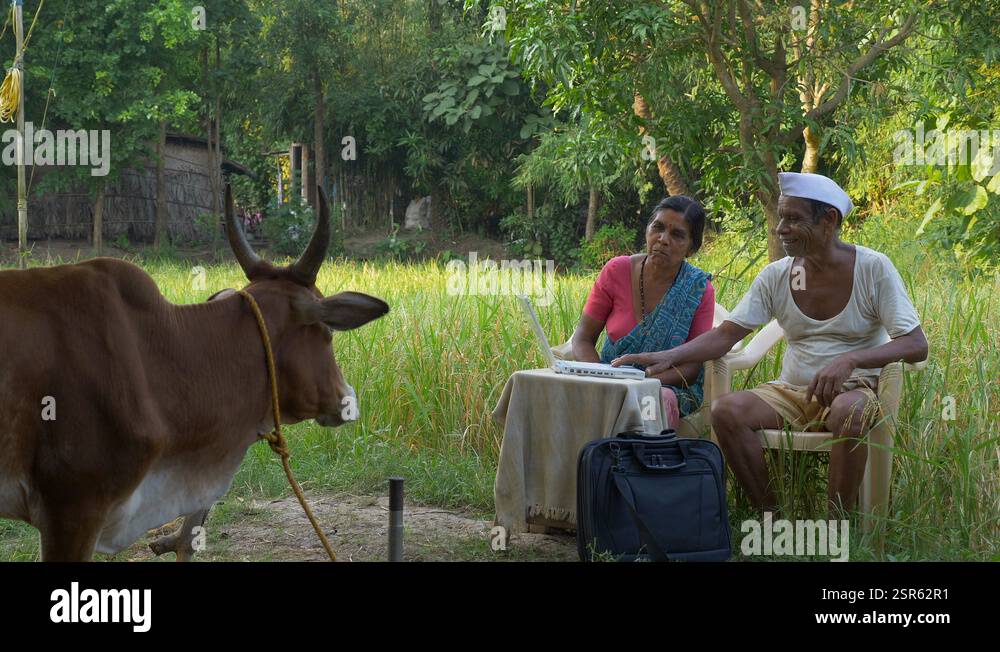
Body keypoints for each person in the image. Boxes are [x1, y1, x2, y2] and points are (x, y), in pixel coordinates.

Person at [612, 172, 929, 514]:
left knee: (848, 411)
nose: (781, 229)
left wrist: (850, 360)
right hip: (794, 392)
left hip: (856, 388)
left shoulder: (873, 268)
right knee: (726, 411)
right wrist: (666, 356)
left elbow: (915, 343)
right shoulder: (777, 275)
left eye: (793, 219)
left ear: (829, 220)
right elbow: (726, 335)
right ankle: (776, 519)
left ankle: (836, 525)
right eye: (781, 218)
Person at [571, 196, 715, 428]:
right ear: (647, 230)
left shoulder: (698, 289)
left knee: (652, 400)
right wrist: (600, 378)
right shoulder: (616, 271)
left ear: (691, 248)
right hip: (608, 379)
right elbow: (582, 339)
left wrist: (640, 382)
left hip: (667, 387)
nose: (663, 239)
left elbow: (691, 368)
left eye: (677, 235)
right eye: (657, 228)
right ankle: (582, 463)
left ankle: (647, 462)